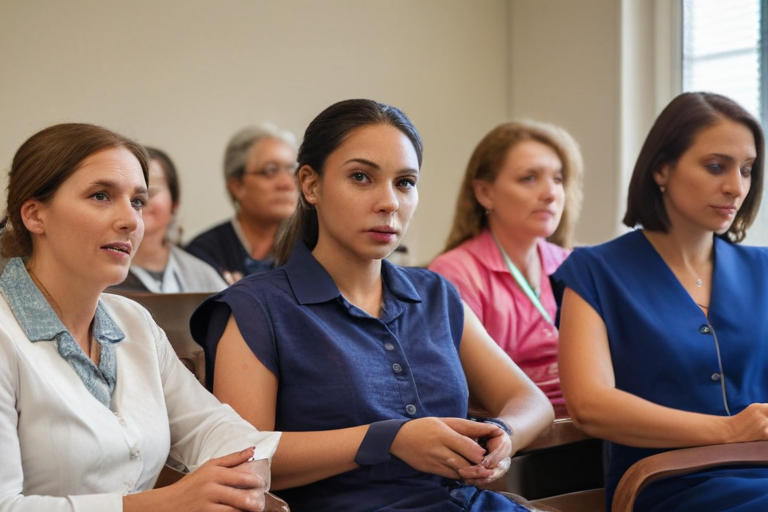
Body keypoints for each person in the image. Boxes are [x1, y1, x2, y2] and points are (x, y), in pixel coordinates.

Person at [190, 99, 554, 512]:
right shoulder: (257, 308)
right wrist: (388, 440)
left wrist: (503, 434)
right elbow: (243, 460)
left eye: (405, 182)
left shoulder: (435, 294)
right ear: (310, 185)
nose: (389, 202)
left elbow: (533, 403)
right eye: (361, 177)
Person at [0, 123, 281, 512]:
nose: (131, 220)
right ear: (34, 215)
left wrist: (243, 474)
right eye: (101, 196)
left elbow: (219, 431)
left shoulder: (135, 322)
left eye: (137, 201)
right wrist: (165, 502)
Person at [555, 92, 768, 511]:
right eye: (715, 167)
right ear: (661, 170)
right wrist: (728, 431)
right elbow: (590, 405)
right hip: (673, 484)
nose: (736, 187)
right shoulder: (595, 271)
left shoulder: (763, 268)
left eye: (747, 170)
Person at [429, 121, 583, 418]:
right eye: (529, 178)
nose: (551, 194)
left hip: (588, 429)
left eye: (559, 179)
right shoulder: (455, 273)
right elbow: (473, 391)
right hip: (516, 443)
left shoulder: (574, 264)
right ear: (485, 193)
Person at [186, 124, 298, 283]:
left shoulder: (313, 247)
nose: (287, 184)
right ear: (237, 186)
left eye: (292, 170)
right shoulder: (204, 253)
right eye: (270, 170)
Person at [112, 147, 227, 293]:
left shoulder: (201, 275)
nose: (142, 202)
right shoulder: (100, 268)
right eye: (134, 196)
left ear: (175, 203)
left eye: (151, 192)